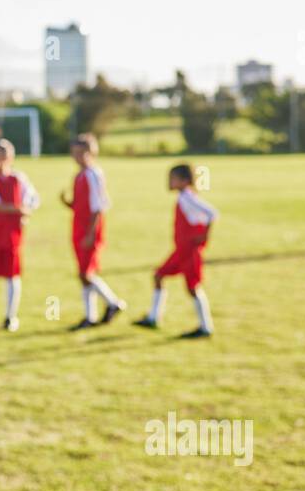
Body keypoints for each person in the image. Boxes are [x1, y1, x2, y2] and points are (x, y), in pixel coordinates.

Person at [134, 163, 217, 338]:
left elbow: (211, 213)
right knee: (158, 276)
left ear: (185, 180)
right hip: (180, 251)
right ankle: (153, 317)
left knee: (193, 288)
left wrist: (204, 235)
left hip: (189, 252)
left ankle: (205, 327)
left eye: (173, 178)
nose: (169, 182)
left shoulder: (187, 197)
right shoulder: (183, 197)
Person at [58, 133, 124, 330]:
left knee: (86, 273)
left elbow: (98, 206)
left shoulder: (93, 175)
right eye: (74, 153)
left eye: (81, 153)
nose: (76, 157)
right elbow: (82, 205)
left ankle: (113, 303)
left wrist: (90, 233)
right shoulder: (80, 175)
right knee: (83, 273)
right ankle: (90, 316)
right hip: (78, 229)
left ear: (91, 153)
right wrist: (68, 203)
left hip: (89, 231)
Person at [0, 138, 39, 333]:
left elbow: (34, 199)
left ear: (7, 158)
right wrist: (21, 210)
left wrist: (25, 211)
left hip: (13, 235)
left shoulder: (19, 178)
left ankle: (11, 317)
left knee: (13, 274)